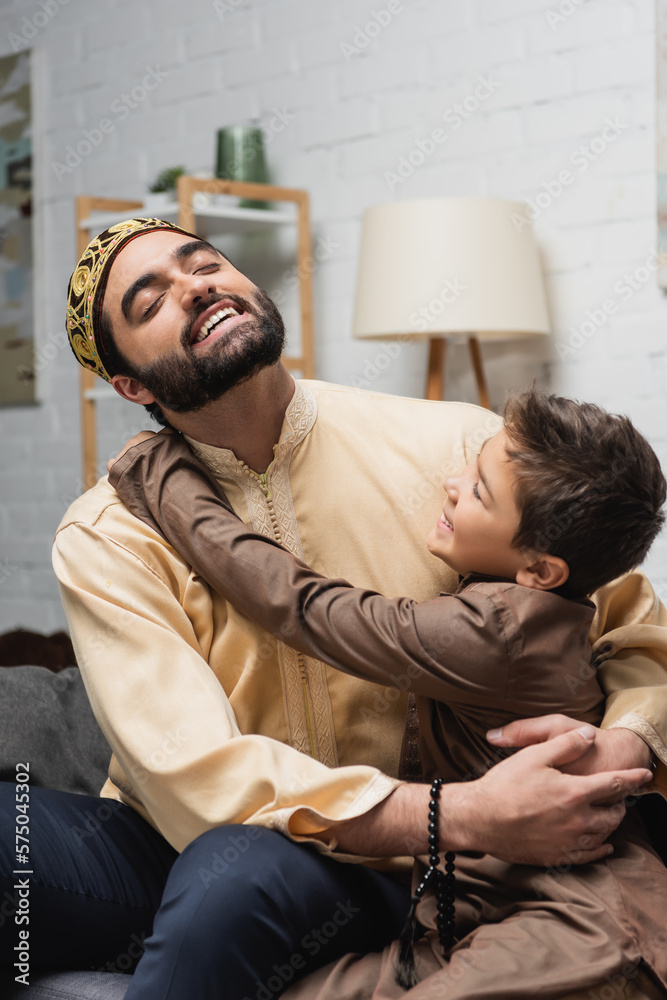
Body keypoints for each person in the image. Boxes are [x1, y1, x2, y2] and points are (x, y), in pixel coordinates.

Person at [1, 217, 664, 1000]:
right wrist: (465, 811)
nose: (195, 286)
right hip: (186, 836)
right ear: (133, 387)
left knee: (233, 875)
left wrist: (623, 749)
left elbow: (631, 628)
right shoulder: (107, 533)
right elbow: (198, 780)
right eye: (150, 302)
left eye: (202, 262)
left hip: (392, 865)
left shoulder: (456, 445)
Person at [107, 386, 667, 998]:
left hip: (583, 923)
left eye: (479, 490)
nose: (451, 484)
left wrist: (159, 473)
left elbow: (306, 607)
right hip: (481, 914)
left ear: (540, 569)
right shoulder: (528, 602)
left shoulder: (495, 631)